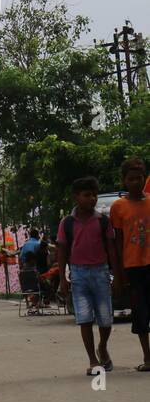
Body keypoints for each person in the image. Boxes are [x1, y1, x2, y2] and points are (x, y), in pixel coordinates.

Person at [57, 176, 117, 377]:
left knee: (106, 319)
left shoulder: (102, 221)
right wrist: (62, 278)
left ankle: (102, 346)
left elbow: (111, 249)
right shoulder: (67, 223)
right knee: (84, 319)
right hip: (79, 274)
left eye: (94, 195)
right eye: (87, 195)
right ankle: (92, 359)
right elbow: (62, 250)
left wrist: (116, 275)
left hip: (101, 272)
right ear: (76, 197)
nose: (92, 199)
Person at [110, 157, 150, 372]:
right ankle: (148, 357)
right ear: (124, 181)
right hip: (133, 267)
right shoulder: (118, 207)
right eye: (131, 178)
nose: (136, 182)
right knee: (140, 313)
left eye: (140, 178)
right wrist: (118, 273)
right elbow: (117, 242)